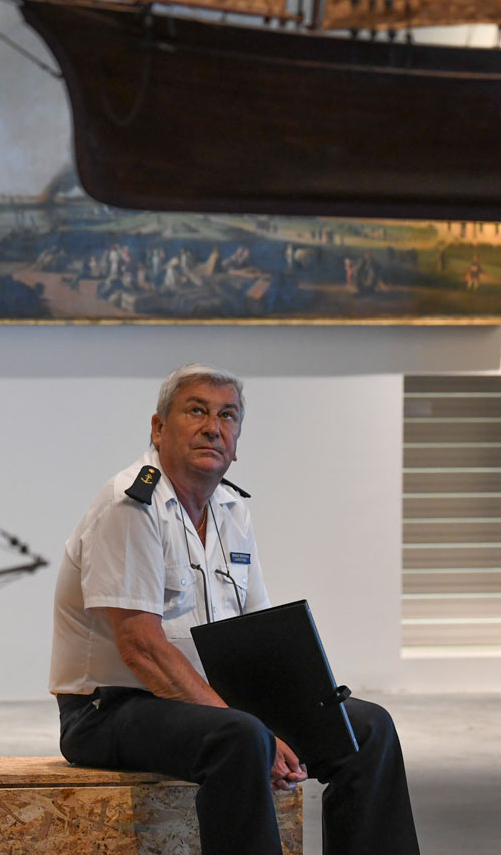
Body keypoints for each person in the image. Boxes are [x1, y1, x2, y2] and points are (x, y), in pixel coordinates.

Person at [50, 364, 420, 855]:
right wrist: (257, 726)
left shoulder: (231, 508)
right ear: (158, 428)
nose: (213, 426)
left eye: (227, 416)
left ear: (237, 441)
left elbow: (258, 638)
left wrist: (312, 704)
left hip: (208, 705)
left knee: (366, 728)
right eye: (196, 410)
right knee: (243, 737)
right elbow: (142, 649)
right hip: (109, 710)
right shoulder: (129, 507)